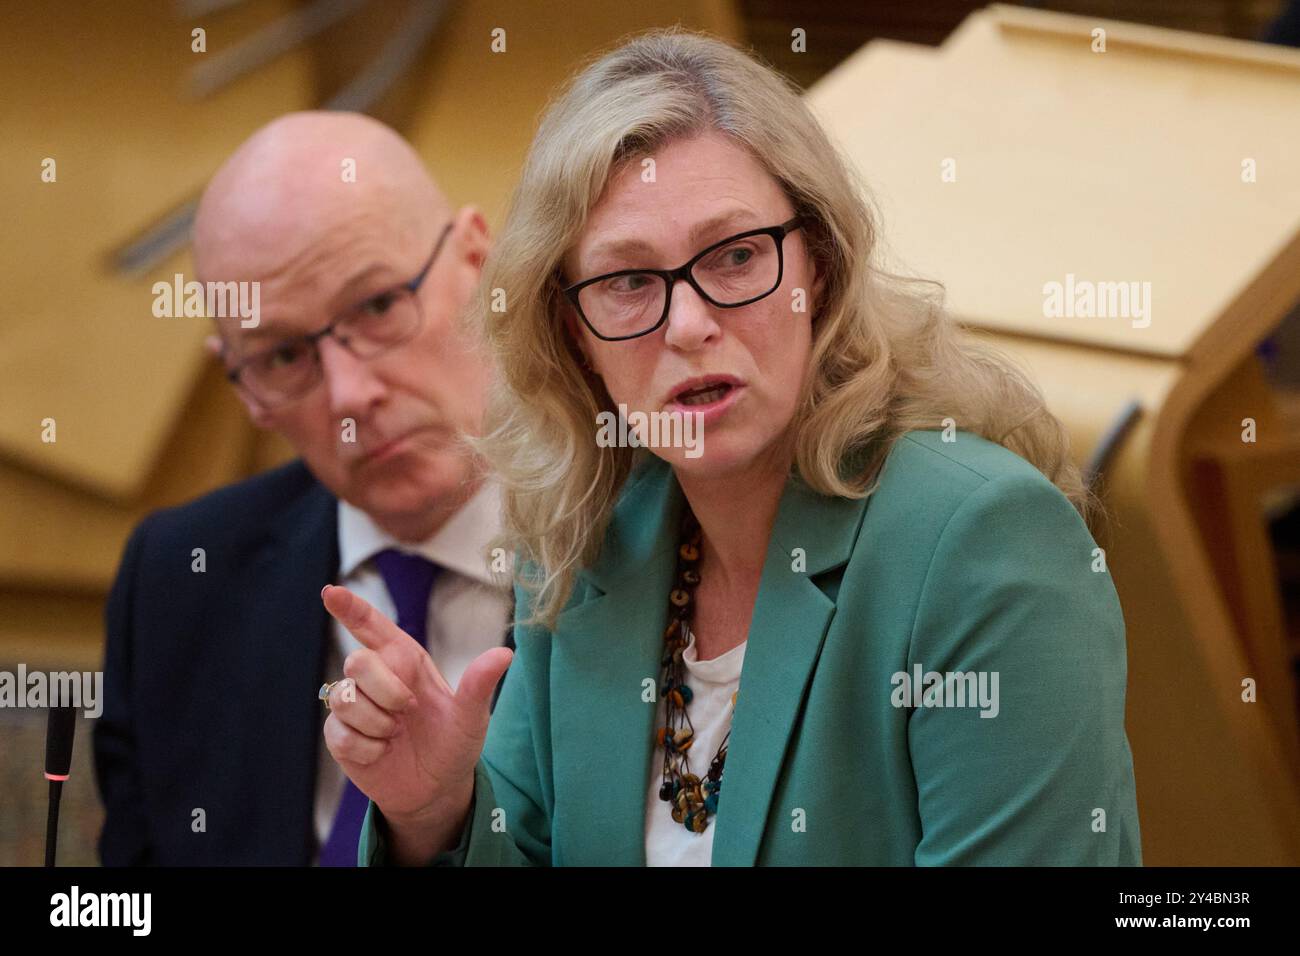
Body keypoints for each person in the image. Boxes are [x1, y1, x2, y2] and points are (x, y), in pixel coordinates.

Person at [319, 30, 1142, 866]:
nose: (688, 325)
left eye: (738, 256)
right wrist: (434, 815)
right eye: (628, 281)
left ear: (816, 266)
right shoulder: (590, 539)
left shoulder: (982, 541)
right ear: (576, 331)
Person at [93, 111, 513, 865]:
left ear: (476, 261)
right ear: (244, 387)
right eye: (284, 355)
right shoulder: (178, 579)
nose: (350, 395)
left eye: (379, 305)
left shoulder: (660, 546)